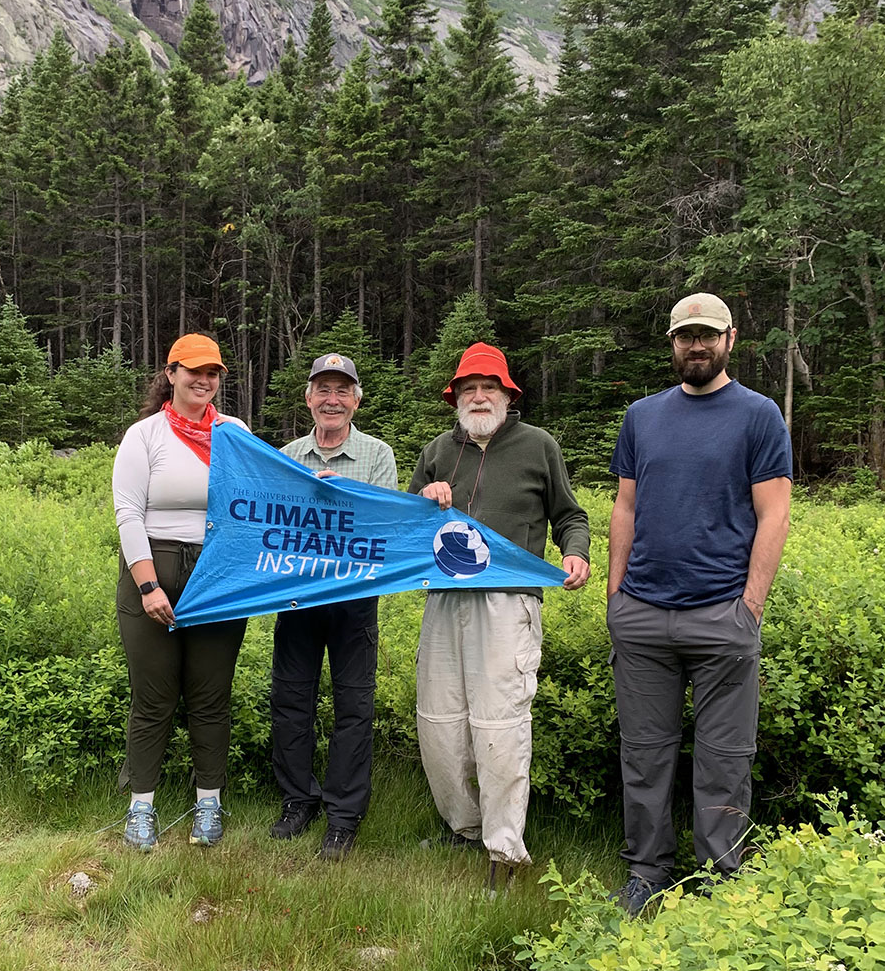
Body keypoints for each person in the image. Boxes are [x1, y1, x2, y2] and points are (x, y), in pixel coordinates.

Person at [607, 292, 792, 915]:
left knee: (725, 758)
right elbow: (626, 506)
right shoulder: (642, 416)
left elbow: (774, 515)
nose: (697, 345)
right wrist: (616, 596)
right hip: (642, 615)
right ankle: (647, 871)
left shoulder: (759, 416)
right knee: (644, 755)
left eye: (708, 335)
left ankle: (718, 879)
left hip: (722, 615)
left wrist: (750, 607)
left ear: (730, 339)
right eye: (686, 336)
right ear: (672, 343)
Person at [410, 343, 590, 888]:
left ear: (508, 395)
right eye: (469, 389)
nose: (479, 396)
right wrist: (425, 498)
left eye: (489, 387)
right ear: (456, 399)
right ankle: (463, 827)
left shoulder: (538, 446)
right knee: (439, 722)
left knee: (500, 724)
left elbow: (569, 514)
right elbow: (407, 526)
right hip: (444, 599)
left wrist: (575, 551)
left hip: (508, 602)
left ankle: (504, 850)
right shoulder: (437, 451)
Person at [112, 333, 250, 851]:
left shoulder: (234, 432)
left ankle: (208, 804)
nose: (204, 380)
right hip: (153, 575)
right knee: (154, 699)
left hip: (217, 579)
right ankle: (141, 808)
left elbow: (267, 491)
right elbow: (129, 513)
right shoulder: (145, 436)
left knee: (210, 697)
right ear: (170, 374)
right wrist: (148, 586)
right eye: (193, 370)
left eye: (213, 372)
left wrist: (316, 483)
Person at [269, 353, 398, 861]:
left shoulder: (378, 455)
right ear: (308, 399)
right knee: (290, 702)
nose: (332, 400)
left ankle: (343, 816)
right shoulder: (287, 455)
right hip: (298, 597)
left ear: (356, 401)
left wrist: (340, 496)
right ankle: (298, 800)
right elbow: (271, 523)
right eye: (323, 389)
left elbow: (385, 524)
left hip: (354, 599)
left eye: (342, 391)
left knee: (354, 708)